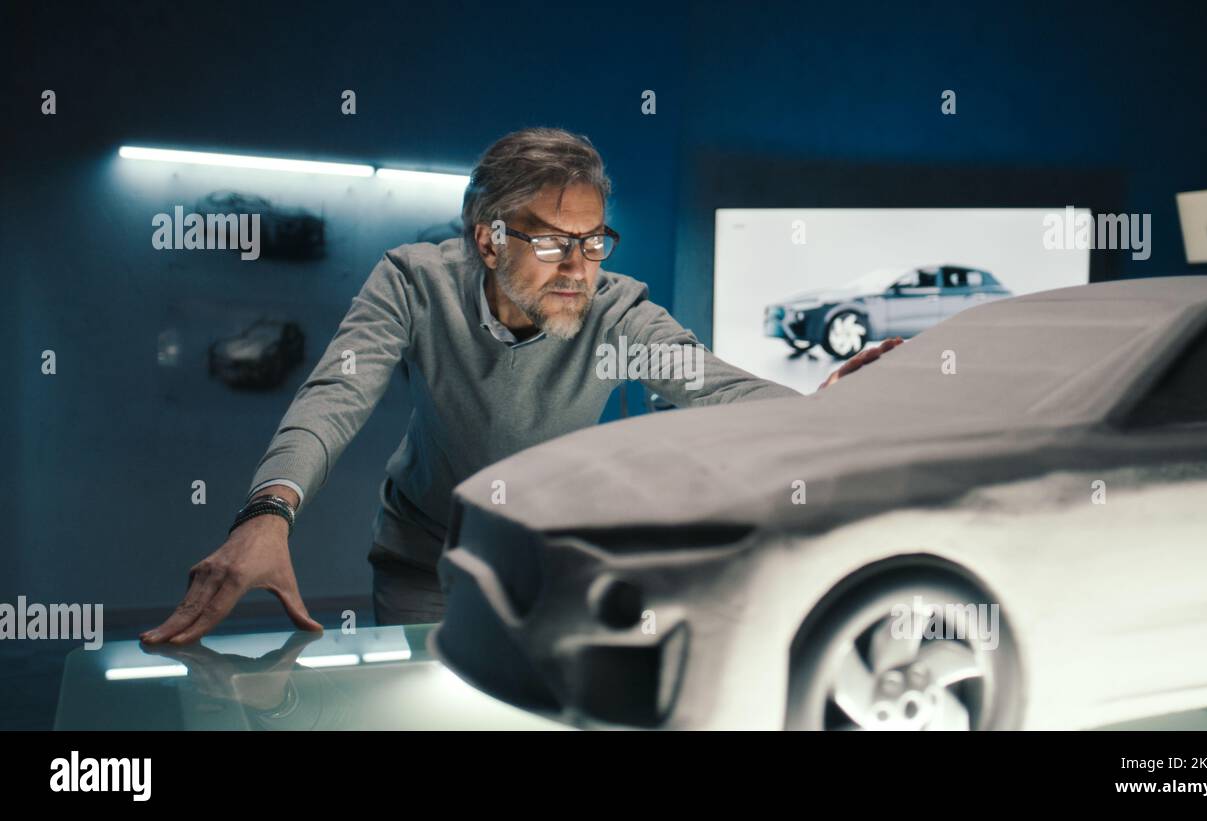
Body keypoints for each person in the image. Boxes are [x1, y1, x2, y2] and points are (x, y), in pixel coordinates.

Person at [140, 127, 900, 645]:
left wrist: (813, 414)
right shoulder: (412, 283)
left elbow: (708, 384)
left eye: (593, 241)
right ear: (488, 237)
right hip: (423, 564)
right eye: (550, 241)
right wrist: (268, 511)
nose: (578, 266)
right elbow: (335, 395)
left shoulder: (616, 311)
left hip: (554, 562)